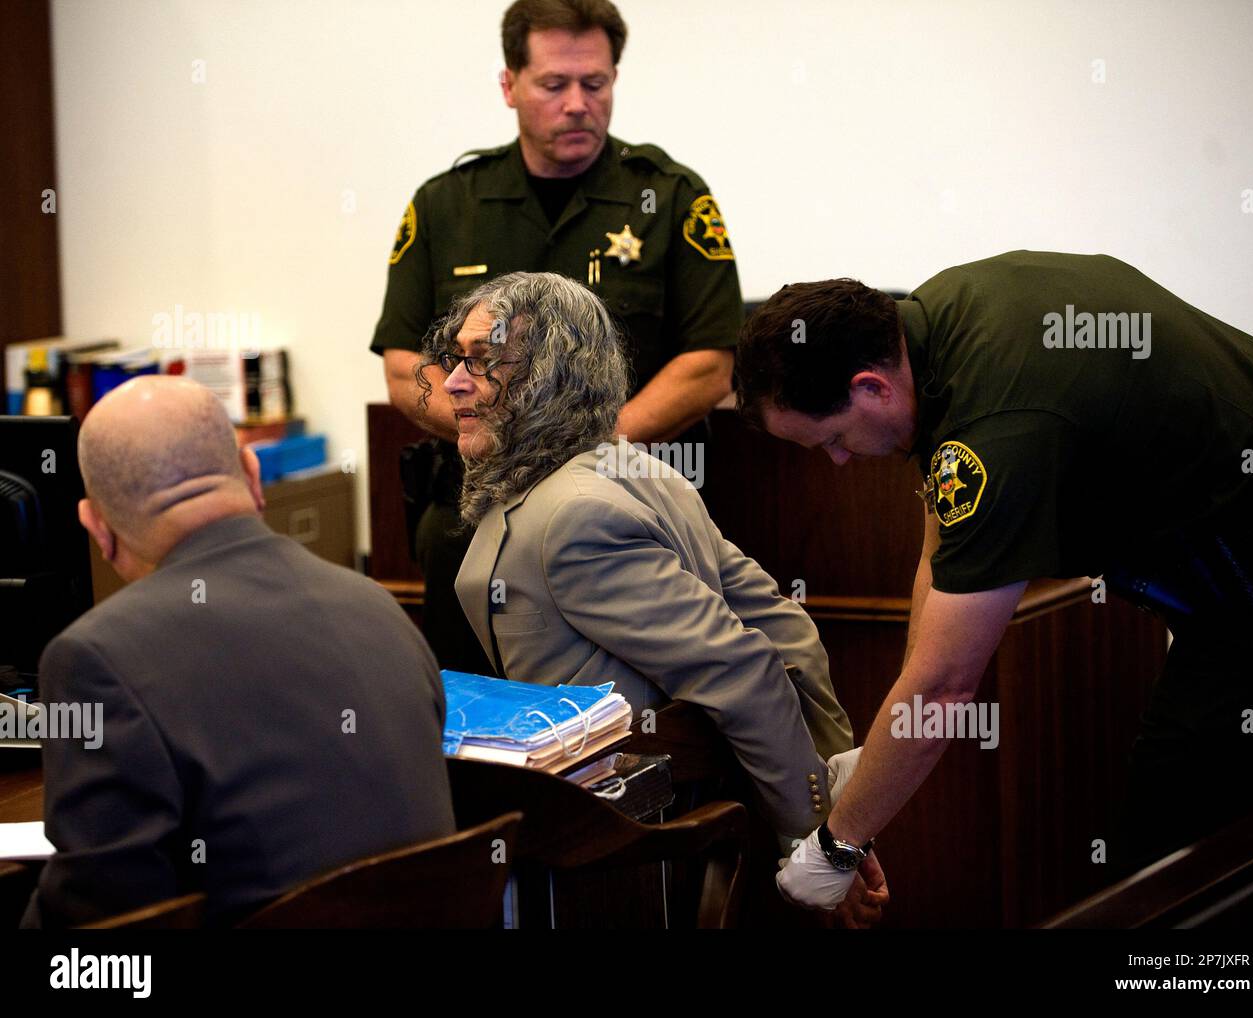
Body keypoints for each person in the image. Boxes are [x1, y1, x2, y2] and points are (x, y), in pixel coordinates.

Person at [732, 250, 1253, 912]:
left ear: (870, 388)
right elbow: (944, 548)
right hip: (1240, 548)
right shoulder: (935, 317)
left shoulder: (997, 428)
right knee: (1174, 806)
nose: (836, 461)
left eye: (830, 438)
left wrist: (836, 847)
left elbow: (945, 687)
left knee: (1189, 833)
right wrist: (883, 748)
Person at [421, 271, 884, 926]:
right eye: (456, 359)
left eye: (482, 362)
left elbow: (744, 669)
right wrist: (835, 793)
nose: (452, 384)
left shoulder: (569, 517)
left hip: (612, 868)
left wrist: (816, 845)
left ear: (549, 378)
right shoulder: (637, 469)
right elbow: (788, 636)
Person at [371, 0, 740, 674]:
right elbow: (403, 372)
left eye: (595, 84)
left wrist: (573, 458)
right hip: (472, 508)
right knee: (476, 724)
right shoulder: (446, 206)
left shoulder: (672, 198)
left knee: (624, 720)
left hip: (627, 506)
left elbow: (709, 365)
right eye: (554, 85)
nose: (577, 104)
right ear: (510, 85)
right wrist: (506, 449)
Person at [22, 377, 455, 927]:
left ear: (97, 528)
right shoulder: (377, 606)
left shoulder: (93, 658)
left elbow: (96, 926)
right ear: (254, 476)